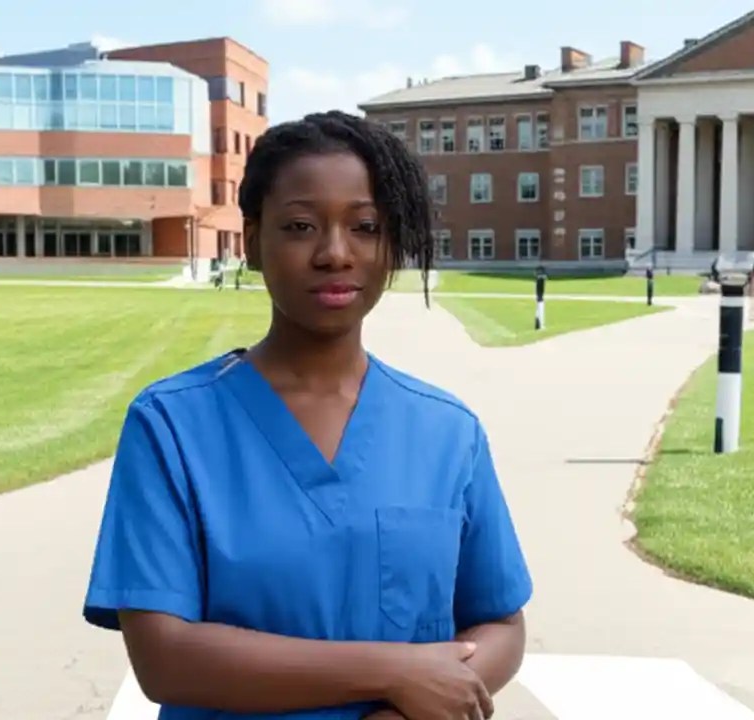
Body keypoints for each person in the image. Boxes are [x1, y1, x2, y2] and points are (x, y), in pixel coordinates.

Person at [82, 110, 533, 720]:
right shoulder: (172, 426)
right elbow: (165, 657)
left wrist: (412, 710)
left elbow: (501, 619)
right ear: (252, 240)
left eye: (365, 226)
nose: (335, 253)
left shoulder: (448, 431)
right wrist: (395, 671)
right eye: (300, 226)